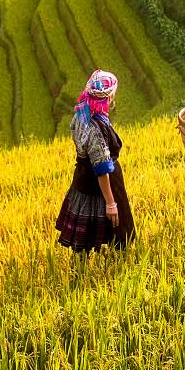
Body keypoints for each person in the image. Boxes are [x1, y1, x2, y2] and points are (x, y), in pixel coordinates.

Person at [55, 70, 134, 252]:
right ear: (110, 96)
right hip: (100, 184)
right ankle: (117, 269)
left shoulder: (80, 114)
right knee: (121, 235)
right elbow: (102, 168)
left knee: (83, 240)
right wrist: (111, 203)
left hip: (82, 180)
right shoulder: (95, 128)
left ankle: (82, 269)